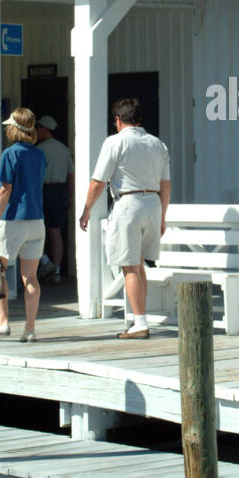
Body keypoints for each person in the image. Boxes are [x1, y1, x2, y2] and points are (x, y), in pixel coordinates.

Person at [79, 96, 171, 340]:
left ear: (118, 120)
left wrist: (86, 210)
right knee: (139, 264)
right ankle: (138, 318)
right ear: (139, 118)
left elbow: (98, 181)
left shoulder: (114, 142)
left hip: (128, 203)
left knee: (129, 265)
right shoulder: (158, 144)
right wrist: (163, 216)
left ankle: (139, 322)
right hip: (153, 203)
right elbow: (166, 185)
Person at [0, 107, 47, 342]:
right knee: (30, 277)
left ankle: (3, 322)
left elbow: (5, 190)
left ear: (15, 128)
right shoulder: (39, 155)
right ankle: (30, 329)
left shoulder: (10, 154)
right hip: (36, 220)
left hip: (12, 221)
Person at [35, 115, 75, 284]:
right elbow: (71, 175)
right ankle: (57, 271)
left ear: (45, 130)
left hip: (44, 191)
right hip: (61, 192)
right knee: (56, 232)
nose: (36, 132)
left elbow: (36, 175)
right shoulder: (64, 149)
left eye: (38, 129)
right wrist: (71, 196)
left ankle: (46, 262)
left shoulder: (40, 150)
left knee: (38, 230)